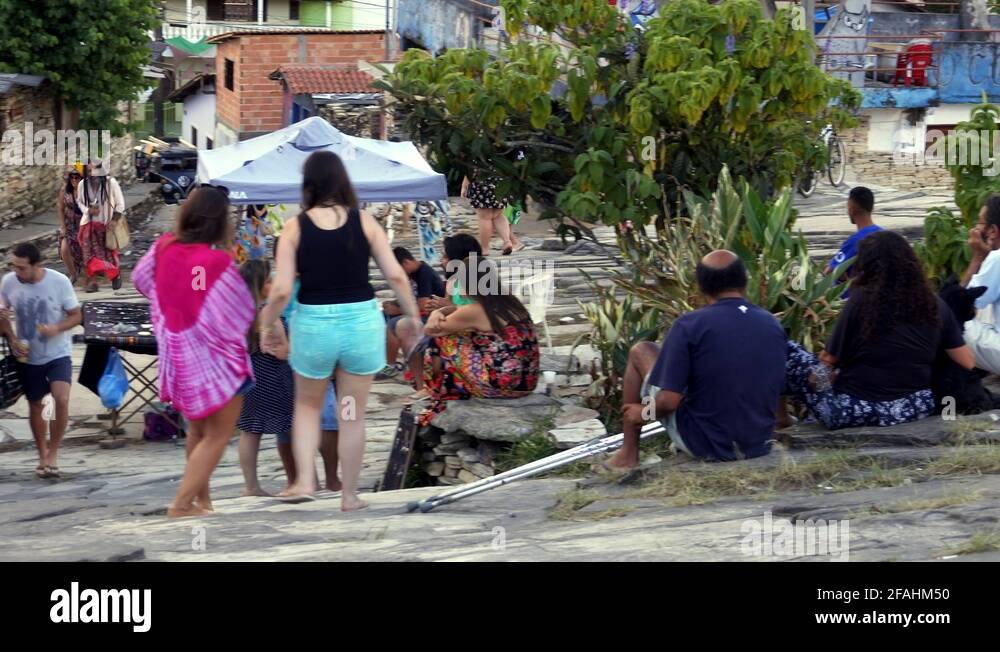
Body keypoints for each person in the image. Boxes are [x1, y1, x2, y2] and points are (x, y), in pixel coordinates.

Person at [258, 150, 422, 510]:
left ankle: (303, 481)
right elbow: (395, 275)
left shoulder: (294, 228)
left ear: (309, 185)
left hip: (314, 325)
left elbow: (283, 289)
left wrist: (267, 325)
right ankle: (349, 495)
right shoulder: (365, 222)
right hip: (360, 323)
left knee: (306, 407)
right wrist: (414, 317)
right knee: (351, 414)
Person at [598, 251, 787, 471]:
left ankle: (628, 454)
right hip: (758, 444)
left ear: (701, 288)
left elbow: (668, 402)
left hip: (706, 445)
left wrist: (643, 412)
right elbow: (779, 388)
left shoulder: (689, 325)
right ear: (745, 282)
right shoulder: (772, 323)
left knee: (642, 351)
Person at [133, 186, 256, 518]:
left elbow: (141, 279)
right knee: (218, 436)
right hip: (217, 361)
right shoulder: (218, 261)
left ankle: (203, 502)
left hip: (179, 354)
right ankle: (181, 504)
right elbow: (240, 311)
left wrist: (169, 300)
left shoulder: (164, 246)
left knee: (199, 432)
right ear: (221, 222)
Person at [786, 231, 974, 429]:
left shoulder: (860, 301)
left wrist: (817, 383)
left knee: (787, 352)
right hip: (914, 408)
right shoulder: (934, 304)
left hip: (854, 410)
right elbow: (967, 362)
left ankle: (781, 420)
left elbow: (827, 364)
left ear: (866, 266)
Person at [418, 257, 540, 426]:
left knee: (442, 339)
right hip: (527, 383)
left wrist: (434, 314)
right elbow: (461, 313)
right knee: (463, 334)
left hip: (500, 387)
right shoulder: (509, 302)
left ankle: (436, 391)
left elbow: (430, 330)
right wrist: (445, 310)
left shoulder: (474, 310)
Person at [0, 243, 81, 479]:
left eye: (22, 268)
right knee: (36, 404)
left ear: (38, 265)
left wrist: (57, 327)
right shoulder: (8, 282)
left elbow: (76, 315)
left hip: (58, 352)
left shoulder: (59, 282)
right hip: (27, 355)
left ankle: (54, 453)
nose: (17, 272)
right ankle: (42, 454)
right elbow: (2, 318)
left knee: (61, 399)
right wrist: (11, 335)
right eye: (13, 266)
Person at [236, 259, 296, 496]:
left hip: (249, 381)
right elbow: (283, 353)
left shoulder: (238, 315)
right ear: (259, 285)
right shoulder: (268, 316)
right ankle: (299, 480)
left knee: (250, 432)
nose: (274, 285)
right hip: (275, 381)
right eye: (270, 281)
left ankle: (251, 486)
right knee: (291, 429)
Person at [961, 194, 1000, 374]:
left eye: (979, 223)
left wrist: (978, 258)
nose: (975, 228)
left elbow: (958, 304)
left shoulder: (997, 258)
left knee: (951, 323)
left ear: (992, 231)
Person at [75, 158, 126, 293]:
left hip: (106, 225)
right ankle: (93, 282)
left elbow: (120, 204)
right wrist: (87, 210)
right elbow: (80, 202)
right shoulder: (82, 185)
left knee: (107, 254)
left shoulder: (111, 183)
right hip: (88, 225)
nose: (93, 173)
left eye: (95, 169)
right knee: (88, 255)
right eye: (90, 169)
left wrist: (114, 220)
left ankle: (115, 274)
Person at [824, 186, 882, 286]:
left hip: (852, 298)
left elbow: (828, 273)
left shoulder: (854, 242)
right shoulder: (884, 235)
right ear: (872, 208)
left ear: (851, 209)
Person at [462, 172, 513, 256]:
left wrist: (464, 185)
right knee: (498, 214)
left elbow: (470, 168)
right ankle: (507, 241)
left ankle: (484, 248)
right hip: (502, 180)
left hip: (483, 181)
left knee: (485, 217)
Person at [58, 165, 85, 285]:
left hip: (84, 225)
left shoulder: (87, 191)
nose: (74, 180)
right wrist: (63, 227)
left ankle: (90, 277)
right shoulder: (65, 191)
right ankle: (73, 274)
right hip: (70, 225)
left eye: (77, 177)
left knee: (85, 251)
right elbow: (60, 208)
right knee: (64, 249)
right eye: (72, 177)